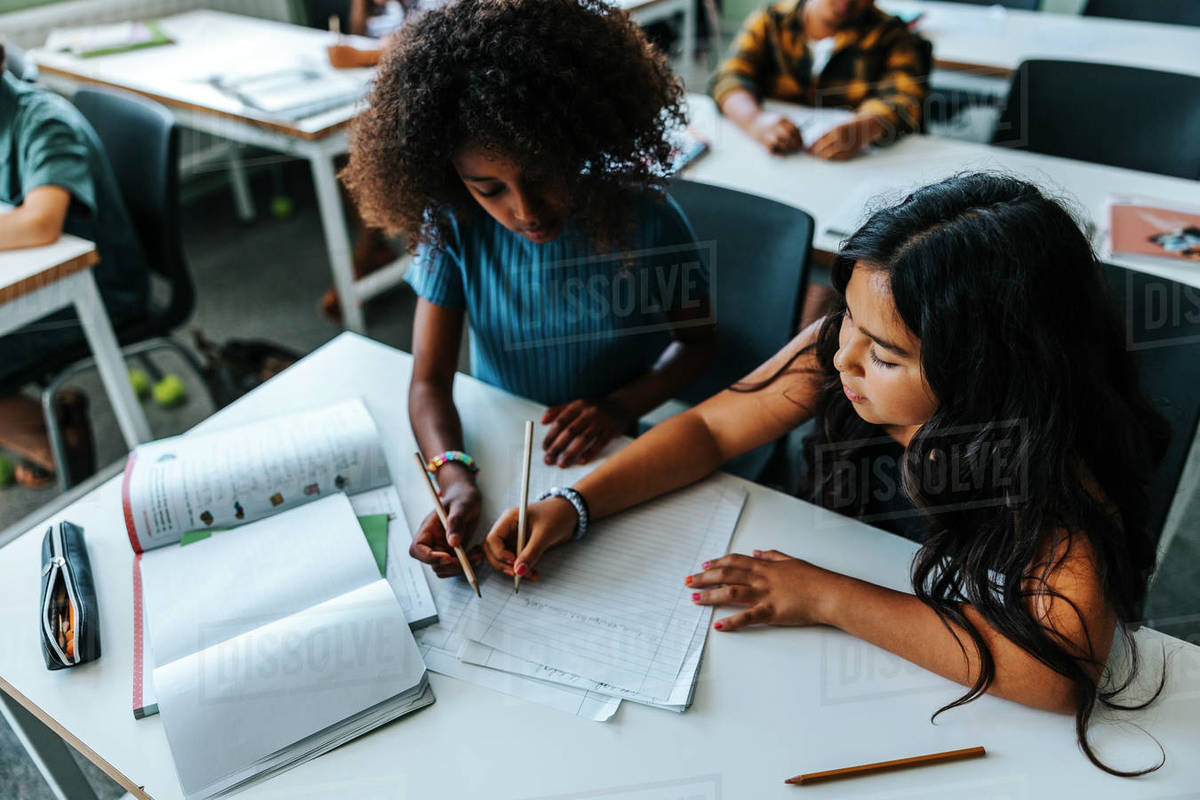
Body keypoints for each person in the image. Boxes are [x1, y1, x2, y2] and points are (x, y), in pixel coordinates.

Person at [485, 173, 1170, 775]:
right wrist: (574, 504)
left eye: (885, 354)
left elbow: (1053, 674)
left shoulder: (1055, 462)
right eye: (850, 323)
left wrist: (828, 597)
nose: (842, 360)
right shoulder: (849, 347)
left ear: (984, 374)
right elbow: (709, 426)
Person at [340, 0, 716, 579]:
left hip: (615, 451)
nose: (525, 209)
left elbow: (699, 346)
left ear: (578, 142)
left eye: (542, 175)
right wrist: (454, 477)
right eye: (489, 189)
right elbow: (428, 382)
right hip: (498, 439)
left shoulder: (648, 220)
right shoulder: (454, 226)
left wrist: (619, 406)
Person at [0, 42, 151, 486]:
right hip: (41, 282)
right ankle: (46, 428)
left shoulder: (43, 120)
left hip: (101, 291)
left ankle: (49, 441)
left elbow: (41, 224)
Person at [711, 0, 928, 159]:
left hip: (849, 169)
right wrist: (755, 121)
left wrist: (865, 127)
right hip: (775, 162)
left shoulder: (892, 35)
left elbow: (905, 99)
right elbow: (729, 77)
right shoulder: (771, 20)